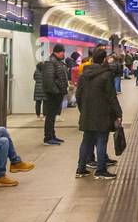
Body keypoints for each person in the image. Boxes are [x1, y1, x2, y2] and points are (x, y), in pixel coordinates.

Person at [74, 47, 120, 180]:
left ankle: (81, 169)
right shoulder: (106, 75)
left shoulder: (84, 75)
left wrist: (83, 110)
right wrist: (118, 113)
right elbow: (111, 97)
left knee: (86, 141)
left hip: (87, 114)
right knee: (101, 141)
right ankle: (100, 170)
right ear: (104, 59)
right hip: (102, 114)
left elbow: (78, 95)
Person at [40, 44, 69, 145]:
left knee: (52, 116)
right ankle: (48, 138)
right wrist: (56, 92)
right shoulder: (51, 63)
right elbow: (49, 80)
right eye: (62, 52)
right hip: (53, 95)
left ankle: (52, 135)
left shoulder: (57, 62)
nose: (63, 54)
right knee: (50, 116)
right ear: (57, 52)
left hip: (57, 94)